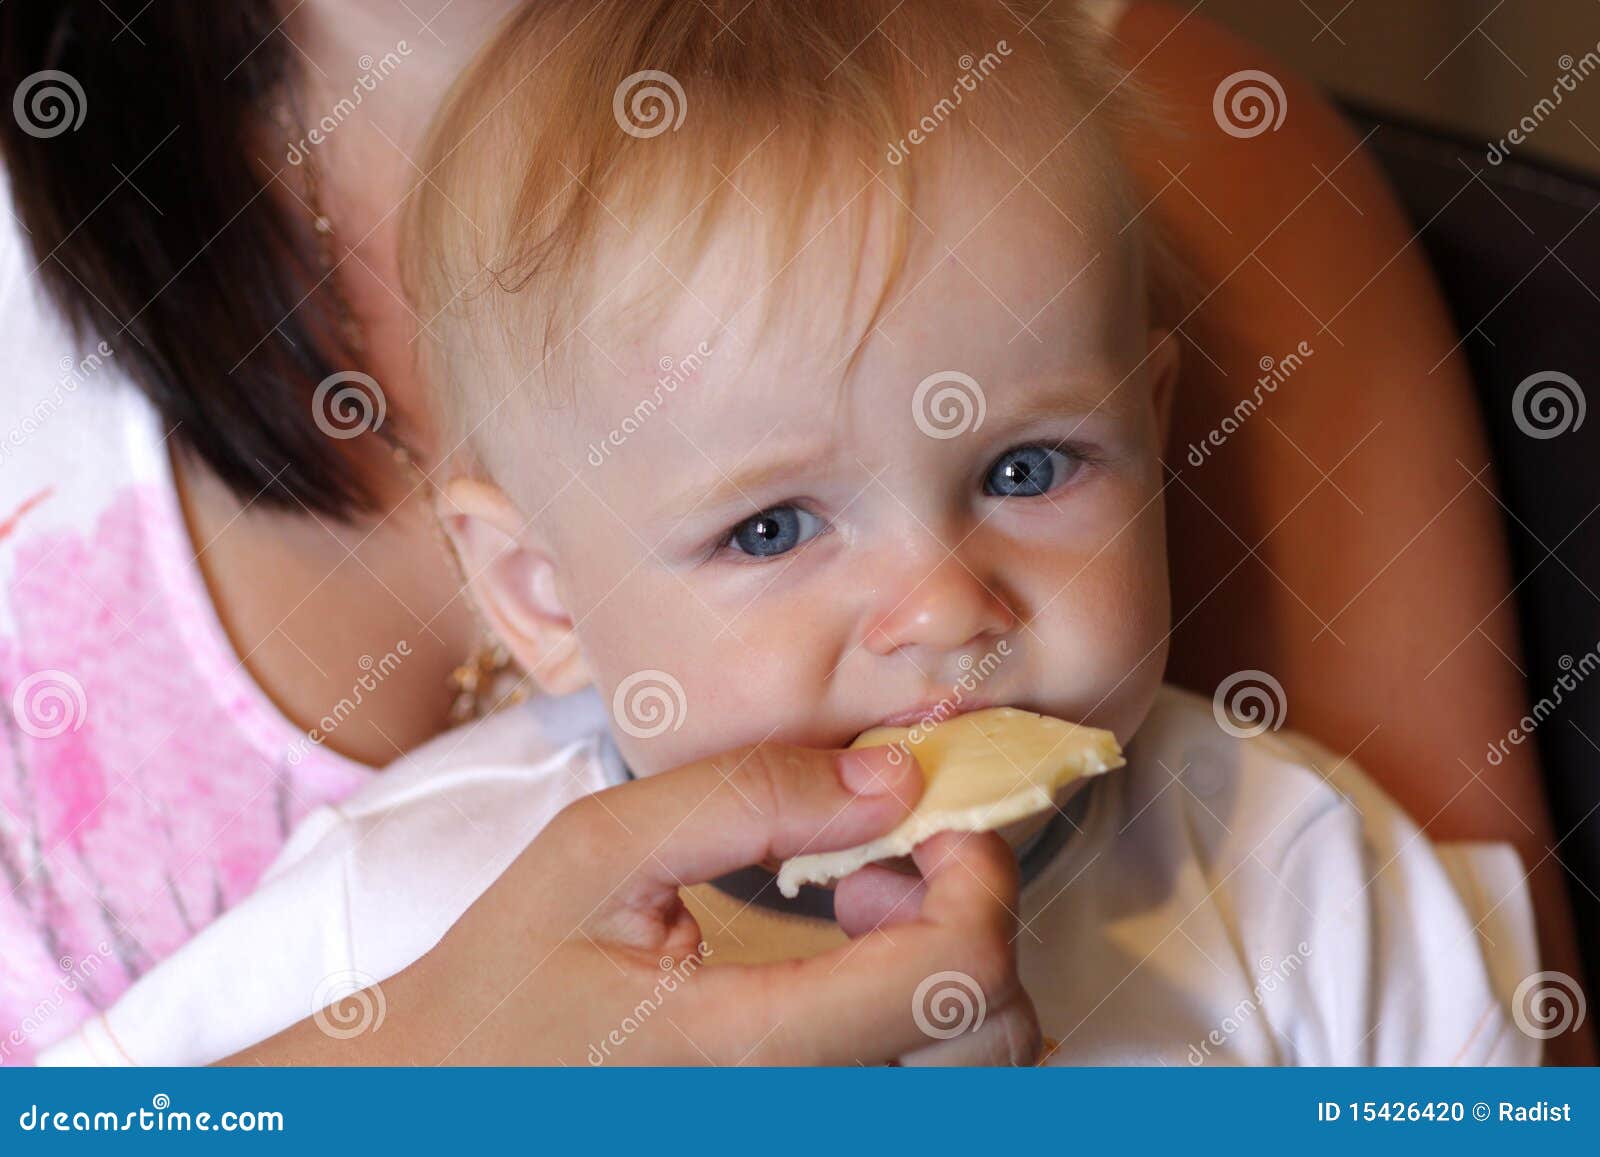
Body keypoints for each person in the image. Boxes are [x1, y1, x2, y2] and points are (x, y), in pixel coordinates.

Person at [1, 0, 1588, 1065]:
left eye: (1032, 469)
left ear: (1154, 427)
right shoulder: (394, 907)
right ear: (538, 593)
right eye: (771, 525)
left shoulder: (1300, 873)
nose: (939, 606)